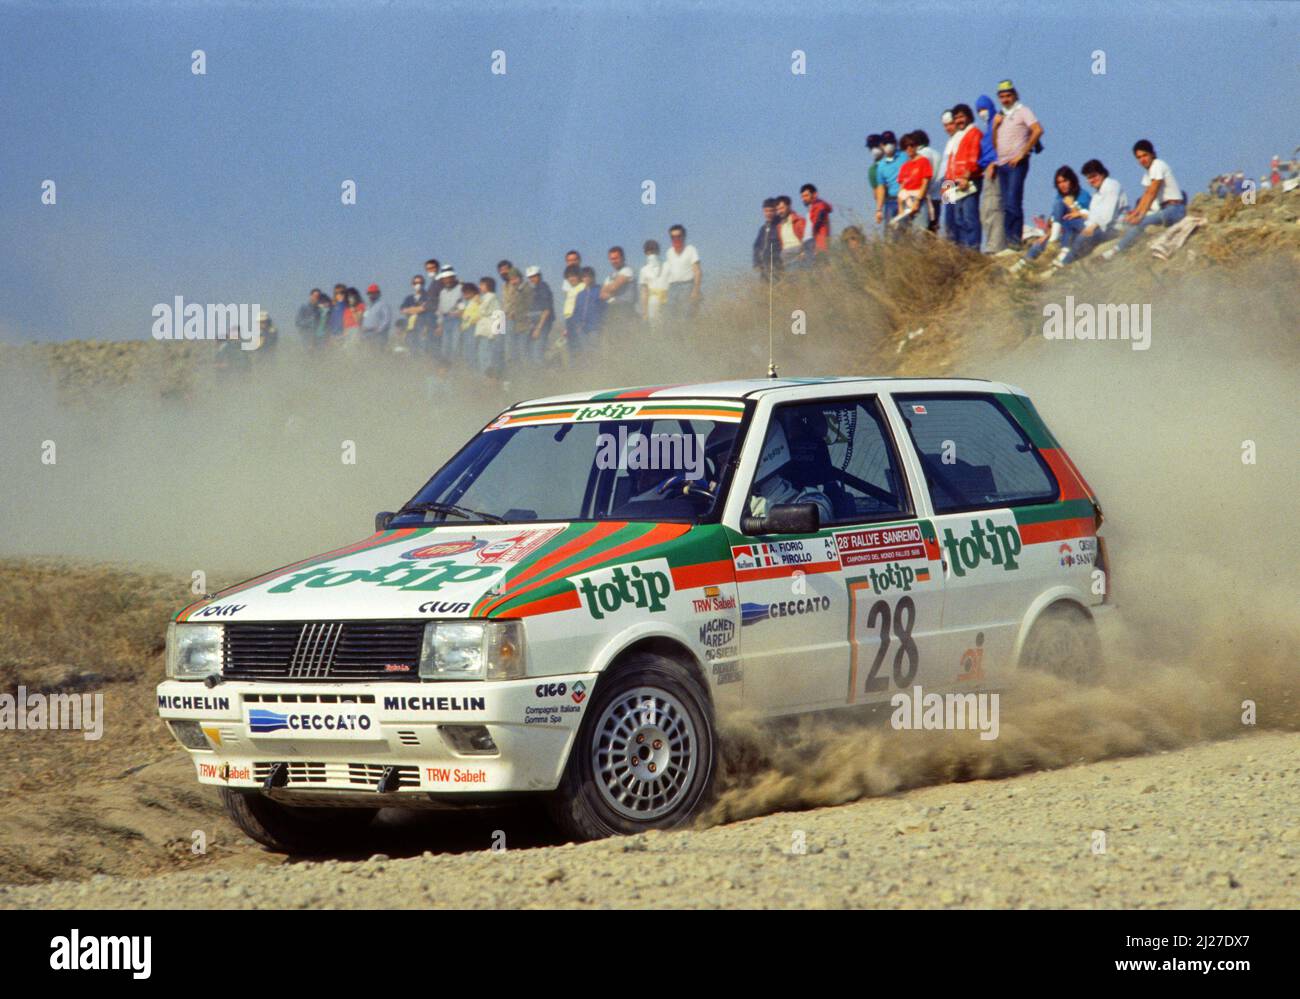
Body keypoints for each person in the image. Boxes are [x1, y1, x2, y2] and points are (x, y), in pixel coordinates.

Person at [1107, 139, 1186, 257]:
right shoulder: (1148, 174)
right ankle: (1121, 249)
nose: (1142, 159)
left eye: (1145, 155)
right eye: (1139, 157)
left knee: (1143, 222)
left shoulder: (1158, 165)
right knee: (1131, 223)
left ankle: (1114, 252)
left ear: (1152, 154)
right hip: (1164, 209)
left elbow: (1152, 192)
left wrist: (1141, 216)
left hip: (1174, 209)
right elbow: (1145, 195)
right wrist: (1135, 213)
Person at [1011, 166, 1091, 272]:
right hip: (1063, 230)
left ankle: (1054, 241)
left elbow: (1090, 216)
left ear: (1072, 180)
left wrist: (1072, 206)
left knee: (1062, 210)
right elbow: (1054, 218)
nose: (1062, 185)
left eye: (1065, 181)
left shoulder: (1083, 195)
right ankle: (1021, 265)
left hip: (1078, 229)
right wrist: (1047, 235)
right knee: (1040, 242)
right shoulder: (1060, 197)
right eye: (1059, 182)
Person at [994, 79, 1044, 250]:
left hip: (1016, 163)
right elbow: (995, 144)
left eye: (1008, 95)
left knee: (1012, 202)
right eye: (1002, 96)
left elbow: (1038, 129)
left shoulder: (1022, 111)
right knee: (1006, 204)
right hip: (1001, 163)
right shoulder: (1000, 115)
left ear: (1014, 95)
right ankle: (1009, 243)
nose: (1005, 99)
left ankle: (1014, 243)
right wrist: (994, 127)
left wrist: (1023, 153)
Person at [1068, 159, 1128, 263]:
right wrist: (1083, 217)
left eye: (1094, 176)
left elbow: (1108, 214)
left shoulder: (1111, 185)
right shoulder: (1097, 194)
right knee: (1071, 223)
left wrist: (1092, 226)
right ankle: (1066, 254)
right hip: (1100, 227)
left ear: (1102, 173)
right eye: (1088, 178)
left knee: (1082, 238)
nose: (1091, 180)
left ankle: (1065, 263)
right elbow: (1093, 215)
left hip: (1113, 228)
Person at [942, 104, 984, 249]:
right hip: (950, 182)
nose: (958, 121)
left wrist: (966, 177)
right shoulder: (954, 139)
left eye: (961, 117)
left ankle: (972, 250)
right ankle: (958, 251)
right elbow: (949, 165)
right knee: (954, 219)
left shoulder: (973, 133)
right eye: (956, 118)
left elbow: (973, 159)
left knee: (968, 217)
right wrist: (946, 190)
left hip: (966, 180)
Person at [975, 94, 1006, 253]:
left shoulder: (996, 122)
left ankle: (995, 247)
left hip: (992, 171)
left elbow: (1001, 145)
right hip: (953, 183)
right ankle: (990, 245)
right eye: (979, 110)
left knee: (993, 208)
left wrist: (994, 162)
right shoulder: (951, 143)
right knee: (984, 211)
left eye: (983, 108)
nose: (982, 112)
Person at [661, 224, 701, 332]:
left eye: (678, 236)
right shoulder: (669, 252)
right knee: (670, 317)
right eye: (673, 237)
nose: (676, 239)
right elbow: (667, 273)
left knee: (685, 316)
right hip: (672, 287)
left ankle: (686, 340)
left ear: (684, 236)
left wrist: (696, 290)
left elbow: (697, 271)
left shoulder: (691, 250)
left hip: (687, 285)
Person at [893, 133, 933, 231]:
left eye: (912, 145)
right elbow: (902, 186)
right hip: (905, 200)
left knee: (919, 230)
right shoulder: (904, 166)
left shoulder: (924, 161)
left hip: (918, 199)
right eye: (906, 146)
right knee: (906, 233)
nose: (909, 148)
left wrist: (917, 201)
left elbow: (925, 183)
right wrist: (900, 206)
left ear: (916, 146)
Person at [599, 246, 636, 334]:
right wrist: (610, 289)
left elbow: (613, 287)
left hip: (625, 310)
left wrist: (609, 290)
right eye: (611, 259)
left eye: (616, 258)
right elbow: (601, 294)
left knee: (625, 339)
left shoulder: (628, 271)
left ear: (622, 258)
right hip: (612, 311)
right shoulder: (610, 276)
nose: (614, 261)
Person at [473, 276, 505, 380]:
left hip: (489, 332)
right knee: (483, 356)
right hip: (484, 331)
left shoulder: (491, 296)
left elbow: (484, 311)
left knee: (487, 357)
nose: (480, 287)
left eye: (482, 285)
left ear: (488, 286)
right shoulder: (486, 297)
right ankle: (486, 378)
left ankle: (488, 379)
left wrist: (478, 302)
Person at [873, 130, 904, 230]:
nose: (888, 145)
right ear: (881, 145)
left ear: (895, 143)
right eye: (885, 143)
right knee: (890, 233)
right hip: (890, 201)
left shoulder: (905, 156)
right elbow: (881, 188)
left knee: (905, 231)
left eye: (890, 142)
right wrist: (879, 210)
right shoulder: (881, 165)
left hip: (906, 200)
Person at [936, 112, 960, 240]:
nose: (948, 128)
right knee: (949, 216)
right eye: (945, 125)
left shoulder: (960, 138)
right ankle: (951, 244)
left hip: (955, 180)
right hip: (947, 182)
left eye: (950, 124)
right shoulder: (950, 141)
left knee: (956, 215)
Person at [524, 266, 554, 365]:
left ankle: (542, 375)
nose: (532, 279)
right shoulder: (534, 289)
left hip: (543, 324)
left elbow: (546, 310)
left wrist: (538, 328)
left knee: (537, 352)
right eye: (530, 277)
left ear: (539, 276)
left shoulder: (543, 288)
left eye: (534, 276)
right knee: (530, 350)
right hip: (535, 324)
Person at [501, 266, 531, 365]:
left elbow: (529, 306)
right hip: (512, 324)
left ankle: (531, 375)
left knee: (523, 351)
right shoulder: (510, 288)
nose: (513, 281)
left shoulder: (526, 288)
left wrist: (516, 314)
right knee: (512, 351)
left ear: (520, 277)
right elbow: (507, 305)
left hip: (524, 324)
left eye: (515, 278)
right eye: (511, 279)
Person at [912, 133, 942, 233]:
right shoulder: (938, 154)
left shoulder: (921, 155)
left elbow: (921, 178)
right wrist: (948, 199)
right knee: (934, 229)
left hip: (924, 197)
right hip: (937, 197)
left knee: (921, 229)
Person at [435, 266, 464, 363]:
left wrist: (460, 314)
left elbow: (463, 304)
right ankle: (445, 369)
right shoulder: (442, 292)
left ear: (453, 277)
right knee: (445, 347)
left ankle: (455, 368)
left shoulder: (461, 288)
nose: (447, 280)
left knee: (455, 346)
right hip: (445, 320)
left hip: (456, 320)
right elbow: (440, 309)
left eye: (449, 278)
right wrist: (439, 325)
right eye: (445, 279)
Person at [638, 239, 668, 329]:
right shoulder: (644, 270)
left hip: (666, 299)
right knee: (655, 328)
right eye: (649, 251)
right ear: (645, 253)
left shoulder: (667, 266)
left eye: (653, 250)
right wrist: (644, 312)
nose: (651, 254)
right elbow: (644, 292)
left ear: (658, 251)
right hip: (652, 301)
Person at [752, 198, 782, 282]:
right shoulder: (763, 229)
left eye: (771, 211)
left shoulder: (780, 226)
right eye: (766, 211)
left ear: (776, 211)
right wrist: (756, 262)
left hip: (777, 265)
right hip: (764, 267)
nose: (768, 213)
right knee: (764, 292)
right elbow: (756, 246)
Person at [800, 184, 834, 257]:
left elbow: (817, 223)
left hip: (815, 242)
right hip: (809, 242)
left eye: (806, 196)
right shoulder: (811, 209)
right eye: (802, 196)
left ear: (815, 194)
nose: (803, 199)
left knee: (818, 265)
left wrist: (818, 246)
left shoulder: (819, 206)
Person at [775, 196, 806, 267]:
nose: (780, 211)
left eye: (782, 208)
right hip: (786, 258)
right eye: (778, 209)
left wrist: (805, 252)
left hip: (798, 256)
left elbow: (807, 239)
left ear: (789, 206)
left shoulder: (799, 221)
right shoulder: (779, 226)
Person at [561, 264, 584, 357]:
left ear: (579, 276)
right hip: (569, 319)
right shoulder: (571, 290)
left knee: (579, 346)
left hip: (577, 319)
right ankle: (575, 369)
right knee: (571, 346)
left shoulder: (582, 287)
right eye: (568, 277)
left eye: (573, 276)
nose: (571, 279)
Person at [361, 282, 391, 347]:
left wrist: (379, 329)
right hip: (367, 335)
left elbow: (387, 320)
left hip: (378, 336)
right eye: (369, 293)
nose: (371, 295)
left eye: (373, 293)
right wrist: (363, 327)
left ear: (378, 293)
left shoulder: (383, 305)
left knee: (377, 353)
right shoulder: (368, 307)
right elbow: (364, 318)